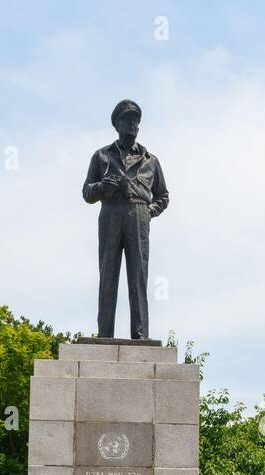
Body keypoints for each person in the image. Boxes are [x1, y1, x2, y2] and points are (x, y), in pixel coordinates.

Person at [81, 98, 170, 340]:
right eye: (127, 120)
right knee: (108, 272)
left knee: (138, 275)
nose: (132, 125)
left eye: (135, 121)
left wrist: (149, 212)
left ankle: (140, 335)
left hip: (139, 214)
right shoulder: (101, 156)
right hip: (110, 212)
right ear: (117, 124)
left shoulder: (150, 160)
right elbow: (87, 193)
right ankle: (105, 332)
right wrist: (102, 186)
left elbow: (163, 196)